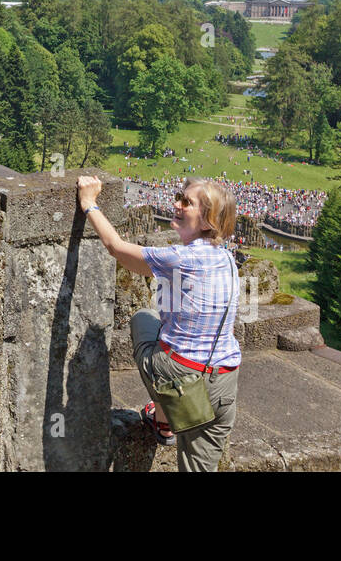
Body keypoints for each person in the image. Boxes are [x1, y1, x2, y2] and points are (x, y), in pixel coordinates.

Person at [79, 174, 240, 472]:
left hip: (184, 378)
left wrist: (89, 203)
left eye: (186, 202)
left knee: (143, 319)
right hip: (226, 383)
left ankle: (165, 418)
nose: (176, 204)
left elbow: (115, 247)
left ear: (207, 221)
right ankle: (165, 419)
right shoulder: (227, 257)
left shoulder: (181, 258)